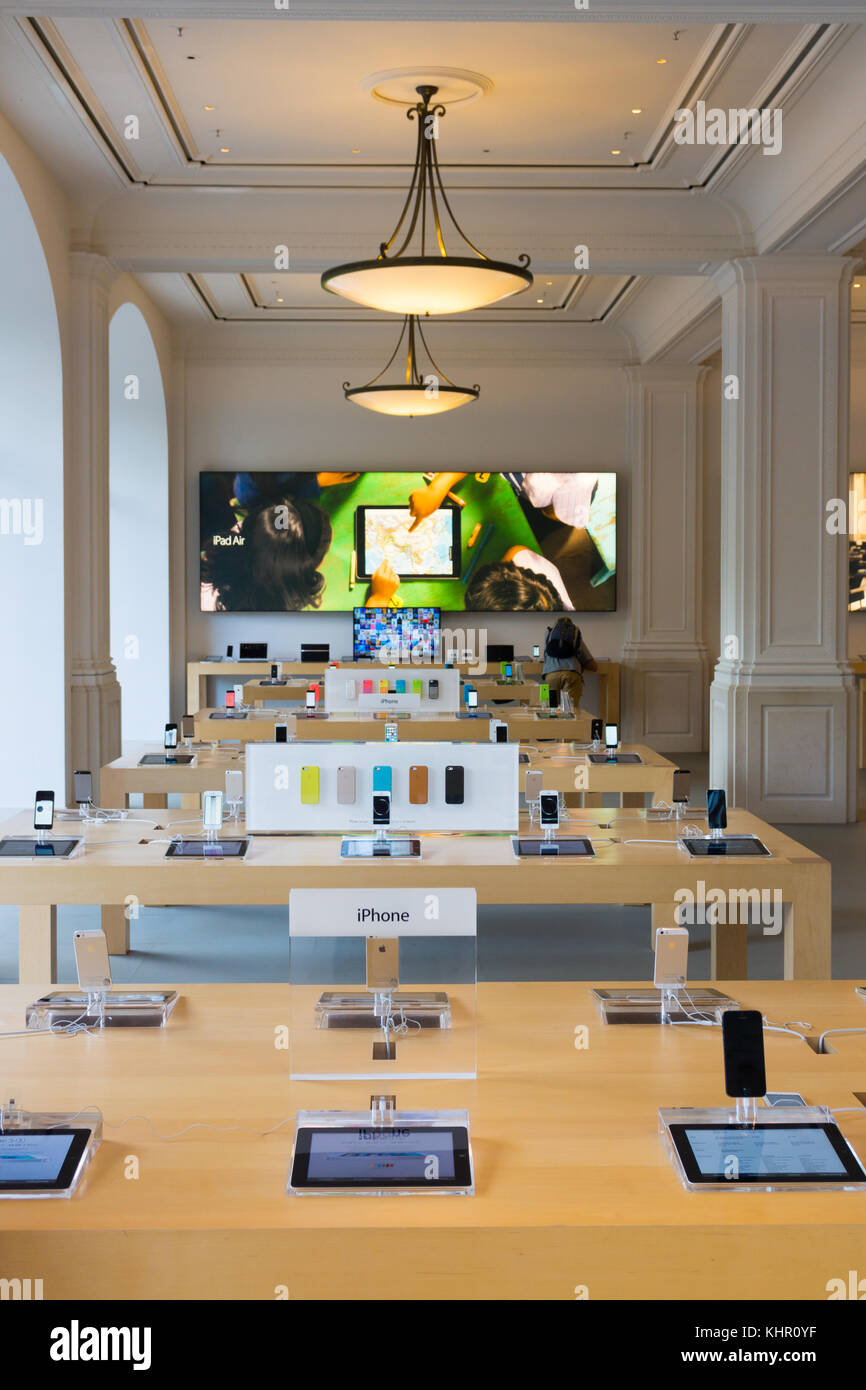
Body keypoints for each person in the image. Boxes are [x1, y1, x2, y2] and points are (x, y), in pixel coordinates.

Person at [541, 616, 596, 709]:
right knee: (570, 711)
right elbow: (592, 665)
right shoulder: (575, 637)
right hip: (571, 675)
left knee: (551, 710)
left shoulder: (549, 635)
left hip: (551, 676)